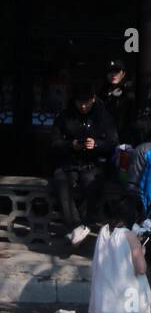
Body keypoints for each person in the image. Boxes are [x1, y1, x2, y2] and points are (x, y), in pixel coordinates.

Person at [51, 80, 118, 246]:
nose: (83, 107)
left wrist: (96, 145)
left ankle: (88, 223)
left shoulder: (103, 117)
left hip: (93, 163)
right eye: (79, 102)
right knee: (61, 181)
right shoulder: (65, 116)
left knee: (92, 182)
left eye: (86, 102)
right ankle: (75, 226)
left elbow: (113, 142)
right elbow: (54, 142)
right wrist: (71, 144)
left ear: (93, 99)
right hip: (69, 162)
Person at [99, 61, 140, 147]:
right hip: (104, 139)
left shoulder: (130, 94)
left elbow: (132, 120)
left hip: (123, 140)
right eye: (110, 71)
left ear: (123, 74)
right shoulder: (101, 93)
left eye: (117, 71)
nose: (113, 75)